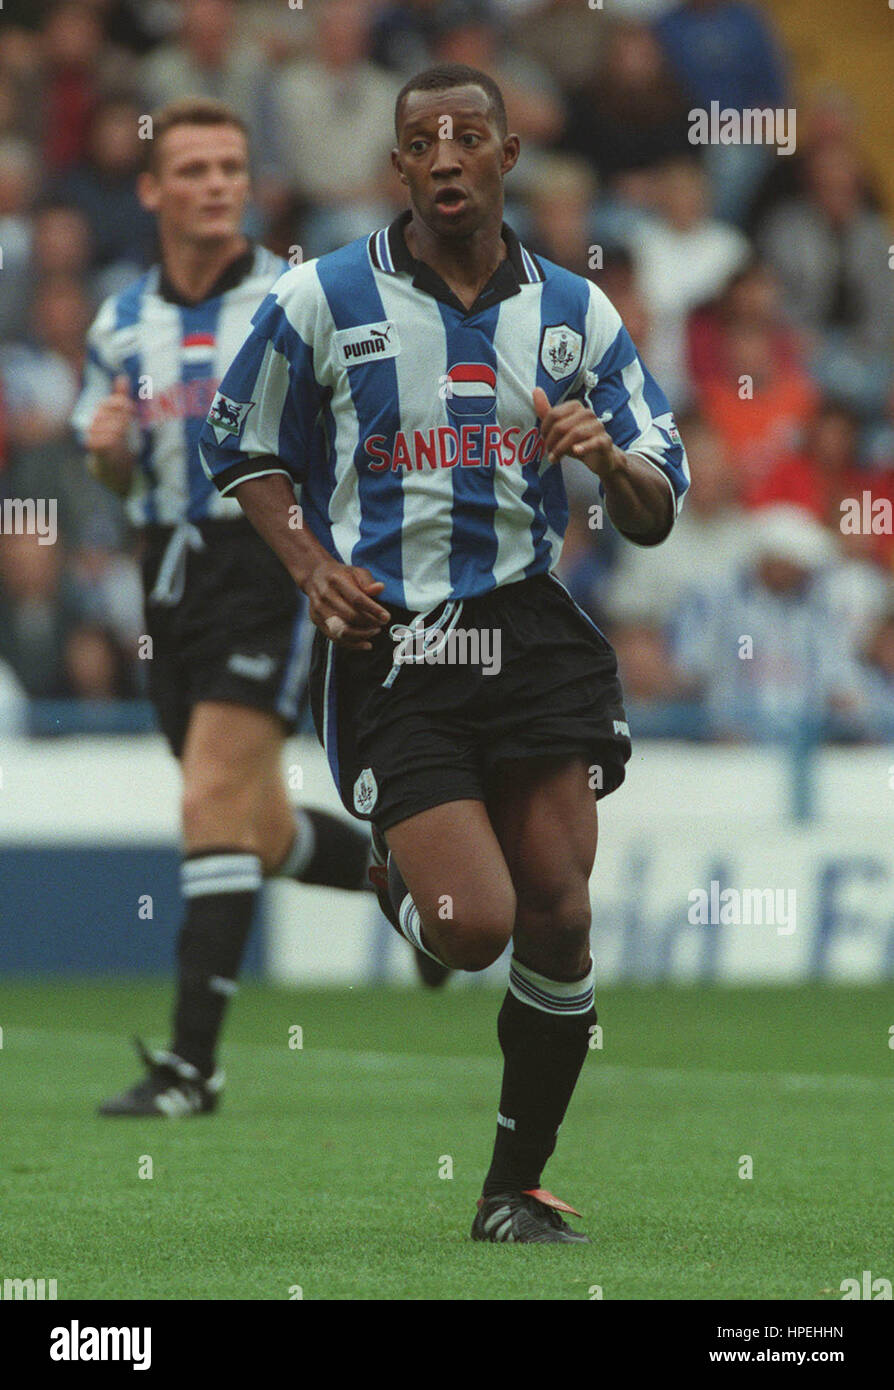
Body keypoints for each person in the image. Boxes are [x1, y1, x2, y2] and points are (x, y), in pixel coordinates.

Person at [198, 64, 689, 1242]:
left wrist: (607, 462)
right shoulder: (321, 297)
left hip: (528, 631)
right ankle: (396, 877)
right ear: (400, 166)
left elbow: (658, 501)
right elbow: (240, 443)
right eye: (424, 140)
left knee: (559, 909)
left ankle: (513, 1188)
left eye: (470, 136)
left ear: (509, 156)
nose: (448, 155)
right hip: (396, 641)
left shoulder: (575, 312)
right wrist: (311, 565)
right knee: (474, 925)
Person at [72, 98, 377, 1119]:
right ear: (151, 190)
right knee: (256, 824)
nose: (216, 185)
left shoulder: (298, 298)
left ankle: (190, 1068)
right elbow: (116, 473)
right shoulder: (119, 322)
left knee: (210, 800)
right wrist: (108, 457)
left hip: (271, 561)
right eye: (194, 169)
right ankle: (414, 885)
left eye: (231, 168)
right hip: (169, 574)